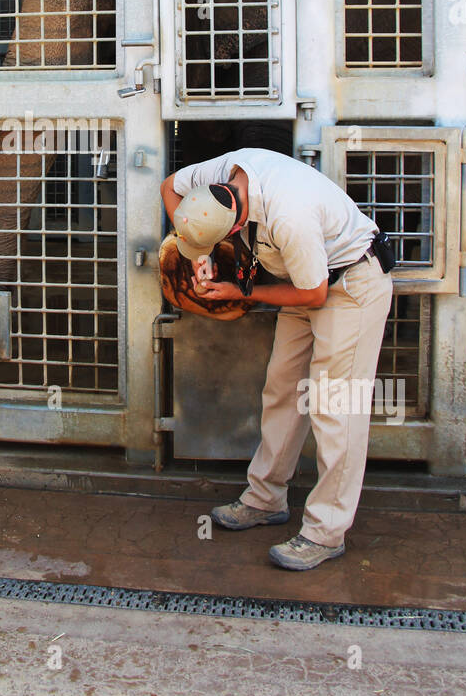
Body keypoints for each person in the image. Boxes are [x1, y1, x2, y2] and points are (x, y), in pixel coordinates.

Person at [161, 148, 393, 570]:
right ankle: (266, 500)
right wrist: (201, 256)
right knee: (283, 389)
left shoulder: (290, 214)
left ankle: (326, 532)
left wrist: (241, 291)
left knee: (334, 408)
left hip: (349, 285)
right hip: (303, 277)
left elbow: (315, 295)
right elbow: (168, 187)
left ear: (235, 222)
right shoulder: (220, 170)